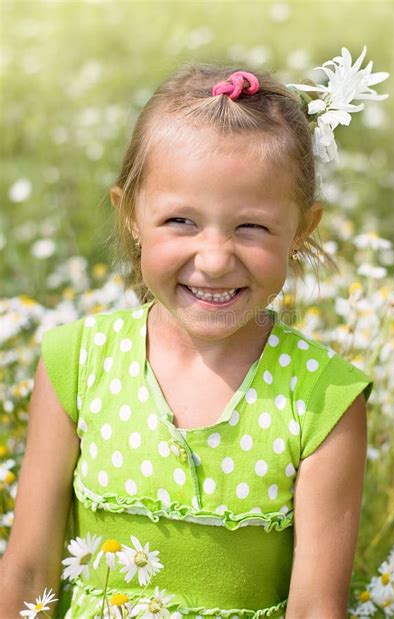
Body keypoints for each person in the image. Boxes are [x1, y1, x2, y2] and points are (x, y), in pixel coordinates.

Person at [0, 64, 374, 618]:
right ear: (130, 215)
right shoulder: (76, 362)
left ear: (302, 230)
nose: (216, 259)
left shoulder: (324, 399)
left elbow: (316, 607)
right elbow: (29, 570)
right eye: (181, 220)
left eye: (251, 226)